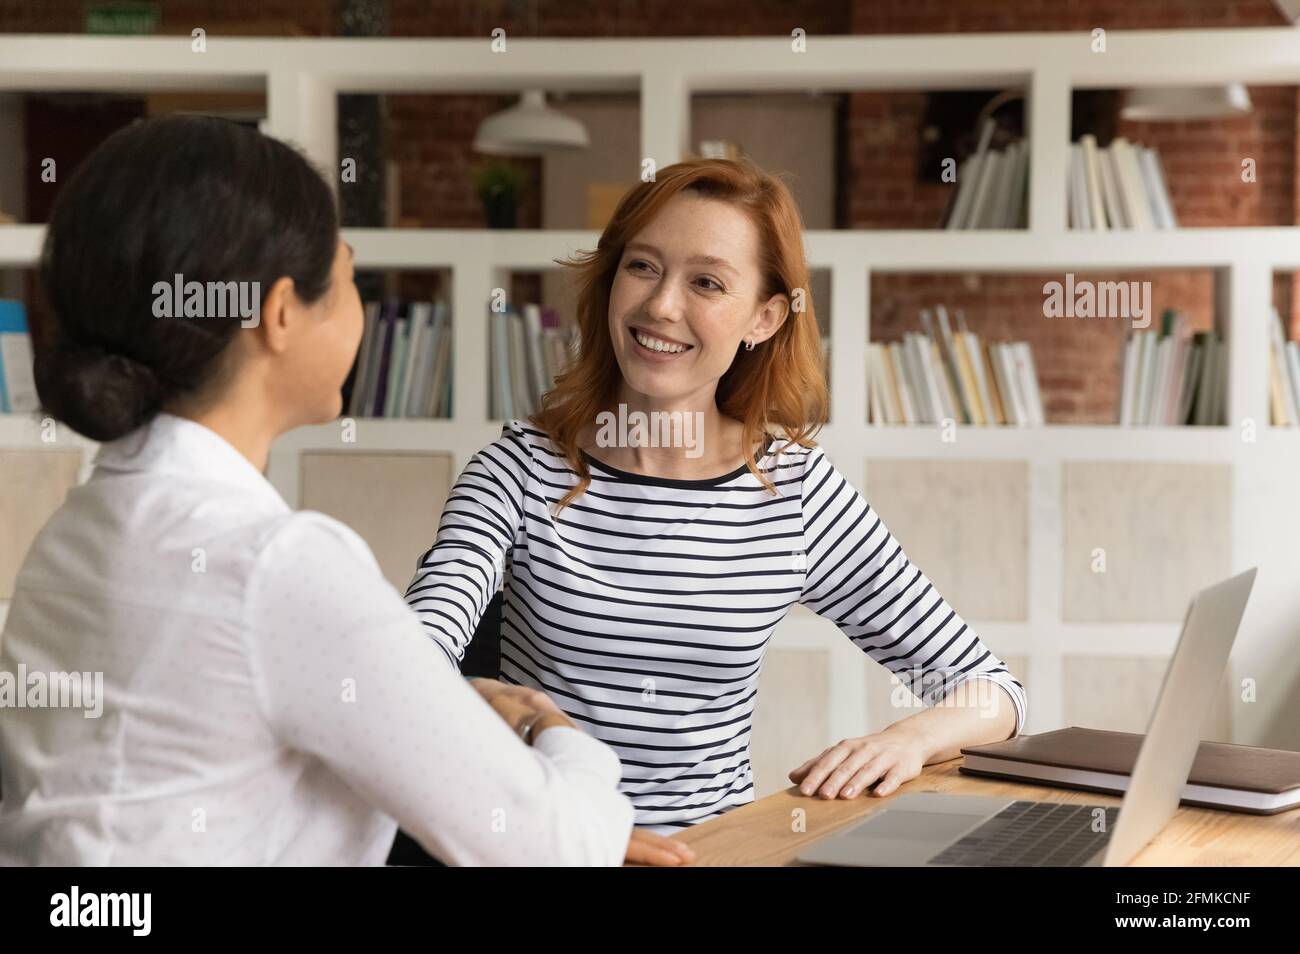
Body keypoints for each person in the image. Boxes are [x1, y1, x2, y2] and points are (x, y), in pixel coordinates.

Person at [0, 115, 632, 866]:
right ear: (279, 315)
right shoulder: (277, 565)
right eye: (346, 277)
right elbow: (554, 847)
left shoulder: (74, 530)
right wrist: (545, 726)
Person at [404, 156, 1027, 864]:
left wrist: (904, 740)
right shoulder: (517, 470)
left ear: (764, 317)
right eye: (643, 267)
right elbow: (410, 660)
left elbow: (994, 694)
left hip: (714, 854)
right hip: (552, 849)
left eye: (706, 282)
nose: (661, 306)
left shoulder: (796, 495)